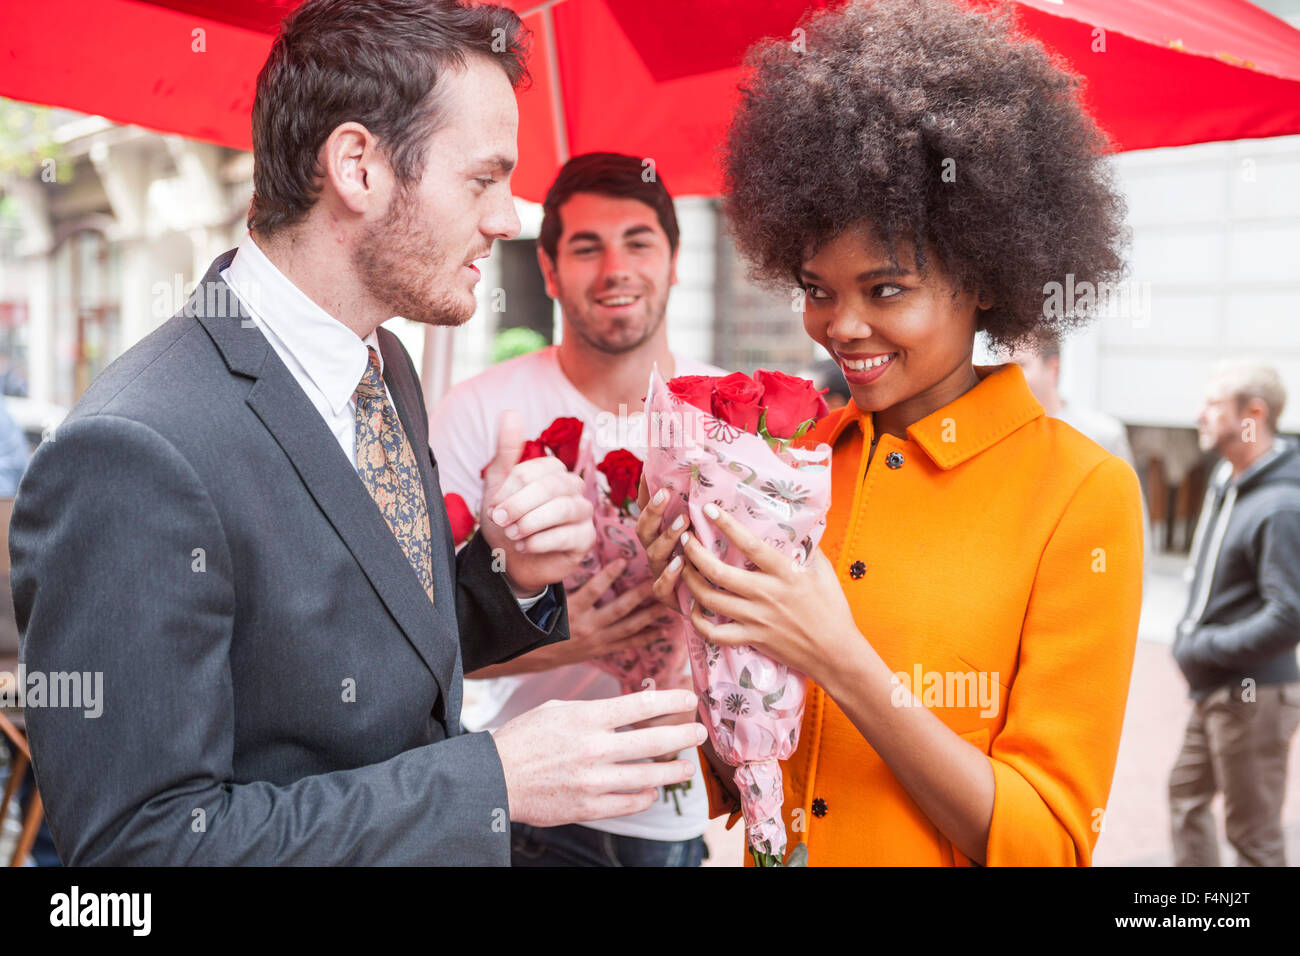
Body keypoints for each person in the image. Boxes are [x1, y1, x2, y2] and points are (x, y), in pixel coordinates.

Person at [9, 0, 701, 866]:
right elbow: (139, 850)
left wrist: (508, 576)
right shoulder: (132, 450)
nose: (509, 220)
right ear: (358, 167)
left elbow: (377, 647)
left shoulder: (385, 367)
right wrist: (492, 784)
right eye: (482, 179)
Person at [636, 0, 1143, 865]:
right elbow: (739, 772)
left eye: (885, 290)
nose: (842, 327)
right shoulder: (790, 466)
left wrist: (843, 662)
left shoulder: (1080, 495)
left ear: (983, 276)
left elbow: (1048, 844)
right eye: (817, 288)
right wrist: (683, 616)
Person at [430, 152, 723, 866]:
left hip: (689, 810)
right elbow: (421, 646)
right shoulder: (475, 413)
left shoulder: (726, 415)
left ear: (674, 261)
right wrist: (562, 636)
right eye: (587, 248)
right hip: (534, 811)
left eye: (638, 241)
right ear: (551, 272)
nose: (615, 268)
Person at [1169, 361, 1300, 867]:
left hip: (1253, 695)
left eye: (1214, 405)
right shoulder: (1230, 480)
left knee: (1253, 837)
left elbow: (1289, 615)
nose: (1200, 415)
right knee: (1185, 796)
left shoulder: (1281, 503)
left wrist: (1203, 647)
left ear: (1254, 414)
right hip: (1217, 689)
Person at [1005, 332, 1135, 466]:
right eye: (1002, 367)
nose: (1006, 376)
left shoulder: (1103, 435)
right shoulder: (1002, 436)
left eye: (1019, 365)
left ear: (1054, 368)